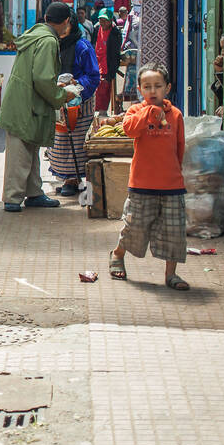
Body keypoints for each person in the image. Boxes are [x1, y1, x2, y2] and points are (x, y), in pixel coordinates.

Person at [98, 64, 189, 290]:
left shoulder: (175, 115)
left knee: (174, 231)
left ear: (167, 88)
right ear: (140, 89)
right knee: (134, 227)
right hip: (142, 184)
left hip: (171, 184)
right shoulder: (134, 111)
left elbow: (180, 147)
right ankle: (118, 254)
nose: (152, 91)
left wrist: (175, 173)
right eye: (147, 87)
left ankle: (171, 275)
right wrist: (148, 113)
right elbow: (130, 130)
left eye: (157, 86)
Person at [0, 2, 81, 212]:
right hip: (26, 103)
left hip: (25, 100)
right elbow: (42, 78)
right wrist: (62, 94)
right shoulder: (48, 40)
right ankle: (12, 197)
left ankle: (34, 193)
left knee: (30, 148)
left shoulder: (35, 34)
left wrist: (56, 86)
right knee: (20, 152)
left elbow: (39, 75)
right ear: (66, 23)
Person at [47, 15, 100, 196]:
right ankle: (66, 177)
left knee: (75, 143)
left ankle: (74, 179)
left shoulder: (83, 46)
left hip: (80, 101)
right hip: (59, 101)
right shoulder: (53, 44)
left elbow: (93, 76)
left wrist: (75, 86)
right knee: (59, 142)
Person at [94, 7, 123, 114]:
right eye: (101, 20)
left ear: (111, 20)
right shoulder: (96, 29)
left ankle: (102, 112)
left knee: (105, 91)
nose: (103, 23)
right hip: (96, 65)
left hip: (107, 66)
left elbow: (115, 55)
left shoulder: (115, 33)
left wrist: (111, 73)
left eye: (105, 20)